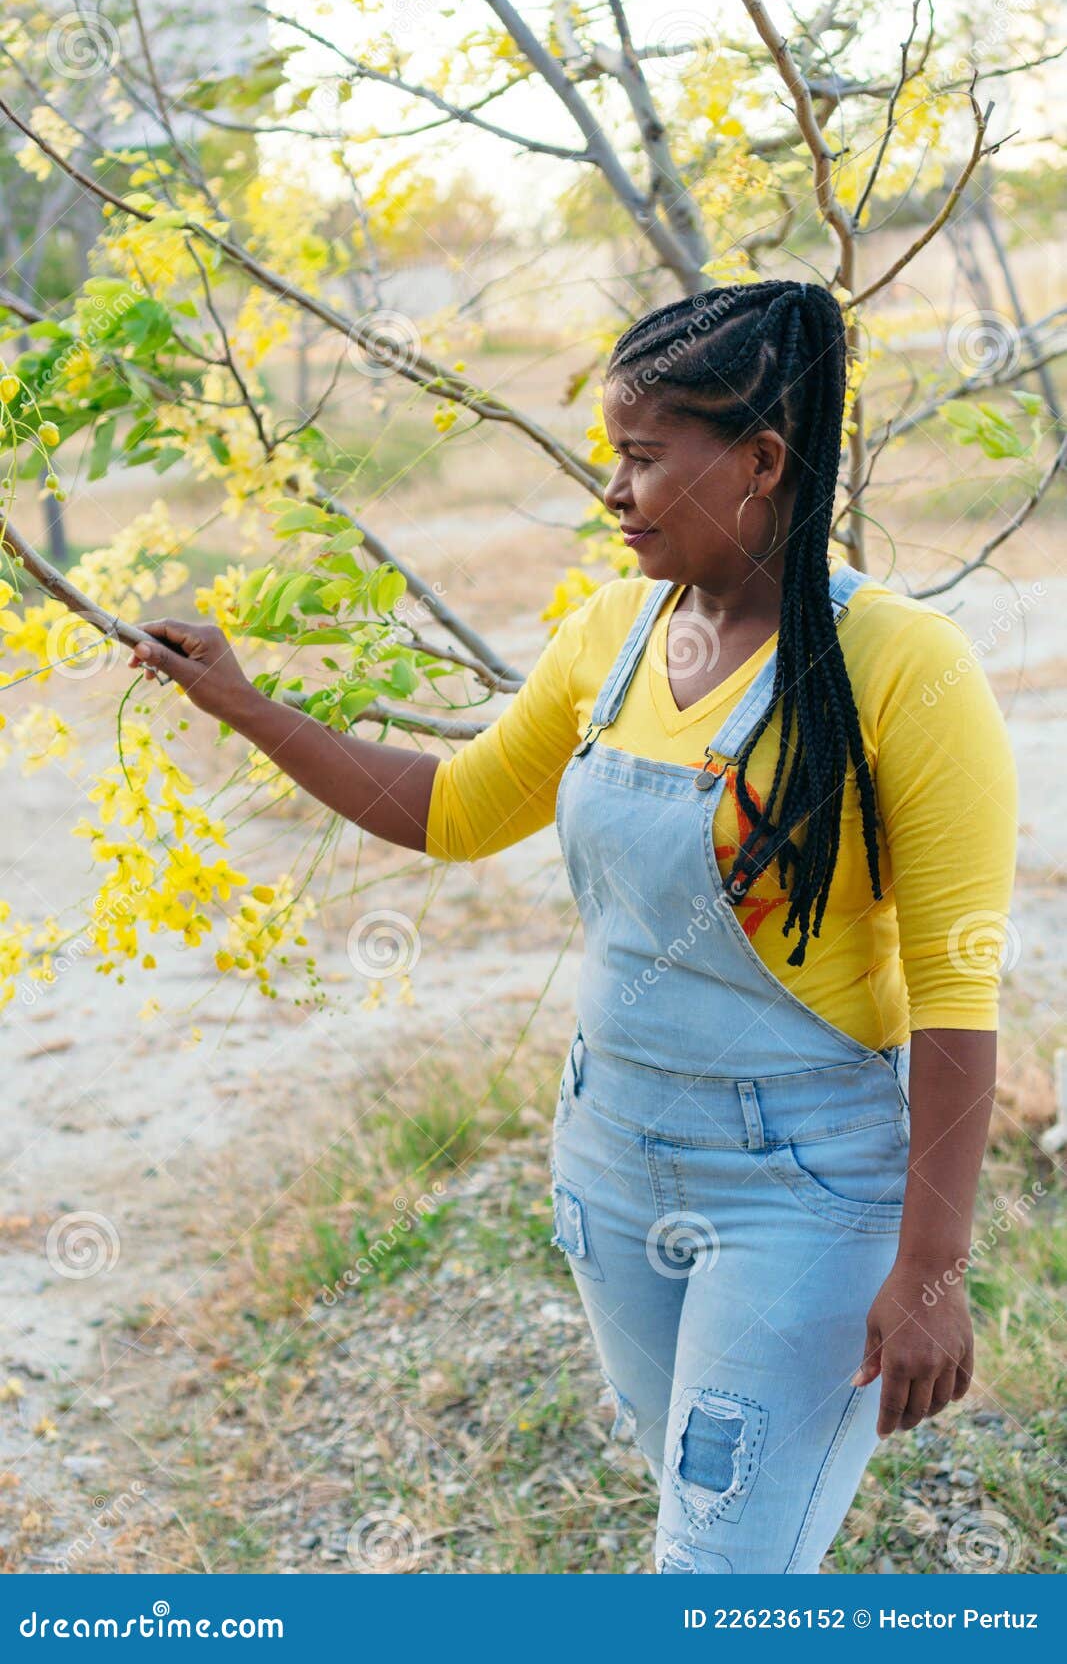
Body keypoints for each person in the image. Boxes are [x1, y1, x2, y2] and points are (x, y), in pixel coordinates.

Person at [129, 280, 1017, 1574]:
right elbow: (449, 808)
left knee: (716, 1575)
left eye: (645, 459)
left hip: (801, 1191)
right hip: (611, 1162)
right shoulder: (608, 635)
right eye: (615, 454)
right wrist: (247, 708)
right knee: (710, 1530)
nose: (613, 489)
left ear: (763, 461)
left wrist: (931, 1268)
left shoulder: (905, 668)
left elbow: (954, 997)